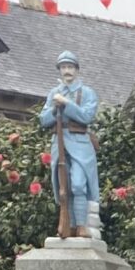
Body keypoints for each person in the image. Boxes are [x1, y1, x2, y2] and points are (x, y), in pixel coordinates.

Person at [40, 50, 101, 239]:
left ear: (76, 70)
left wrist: (66, 104)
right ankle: (71, 226)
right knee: (63, 187)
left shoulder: (87, 92)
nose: (67, 71)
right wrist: (54, 108)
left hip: (80, 142)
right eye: (64, 67)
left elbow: (86, 116)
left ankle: (82, 226)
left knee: (78, 185)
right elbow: (43, 120)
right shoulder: (53, 93)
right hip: (59, 142)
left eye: (70, 67)